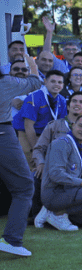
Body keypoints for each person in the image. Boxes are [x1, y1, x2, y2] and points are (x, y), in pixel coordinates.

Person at [0, 48, 44, 256]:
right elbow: (35, 82)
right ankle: (12, 240)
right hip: (2, 133)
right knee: (24, 187)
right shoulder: (6, 83)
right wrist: (31, 62)